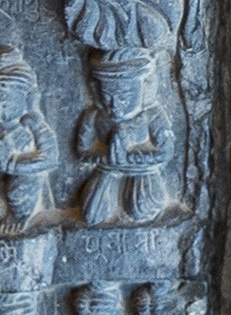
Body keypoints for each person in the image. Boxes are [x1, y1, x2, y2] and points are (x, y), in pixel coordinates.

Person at [75, 49, 179, 227]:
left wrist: (130, 157)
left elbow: (165, 151)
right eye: (108, 97)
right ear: (96, 91)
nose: (115, 105)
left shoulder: (152, 114)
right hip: (108, 168)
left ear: (145, 89)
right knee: (92, 215)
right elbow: (83, 150)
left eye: (124, 98)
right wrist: (106, 156)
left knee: (142, 211)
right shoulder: (93, 115)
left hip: (142, 171)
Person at [0, 48, 55, 230]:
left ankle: (19, 217)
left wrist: (12, 165)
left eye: (5, 99)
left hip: (23, 180)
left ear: (24, 98)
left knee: (18, 191)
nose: (1, 106)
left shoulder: (32, 125)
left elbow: (50, 158)